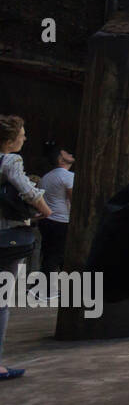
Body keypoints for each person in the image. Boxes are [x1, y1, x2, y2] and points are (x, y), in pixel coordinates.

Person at [1, 116, 53, 381]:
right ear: (10, 140)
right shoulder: (10, 160)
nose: (25, 138)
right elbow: (27, 191)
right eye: (22, 134)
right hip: (6, 235)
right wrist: (45, 210)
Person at [37, 146, 74, 292]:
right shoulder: (67, 176)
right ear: (60, 159)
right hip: (61, 221)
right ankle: (46, 288)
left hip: (46, 220)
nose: (70, 153)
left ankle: (46, 286)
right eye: (66, 152)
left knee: (50, 253)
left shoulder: (46, 177)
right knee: (57, 255)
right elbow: (74, 200)